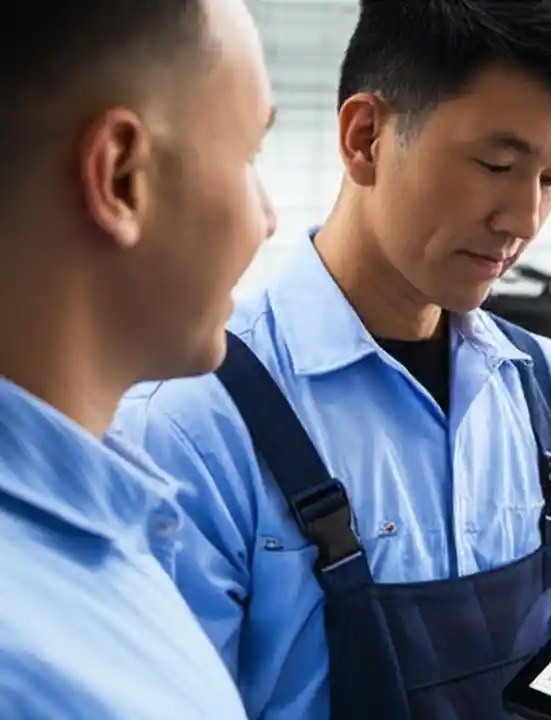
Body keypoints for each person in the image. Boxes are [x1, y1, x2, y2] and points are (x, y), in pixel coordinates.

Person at [110, 1, 551, 718]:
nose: (524, 219)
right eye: (496, 164)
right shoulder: (192, 417)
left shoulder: (549, 391)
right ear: (365, 138)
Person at [0, 1, 276, 717]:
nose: (268, 218)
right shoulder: (37, 668)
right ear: (122, 176)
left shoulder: (99, 529)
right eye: (250, 157)